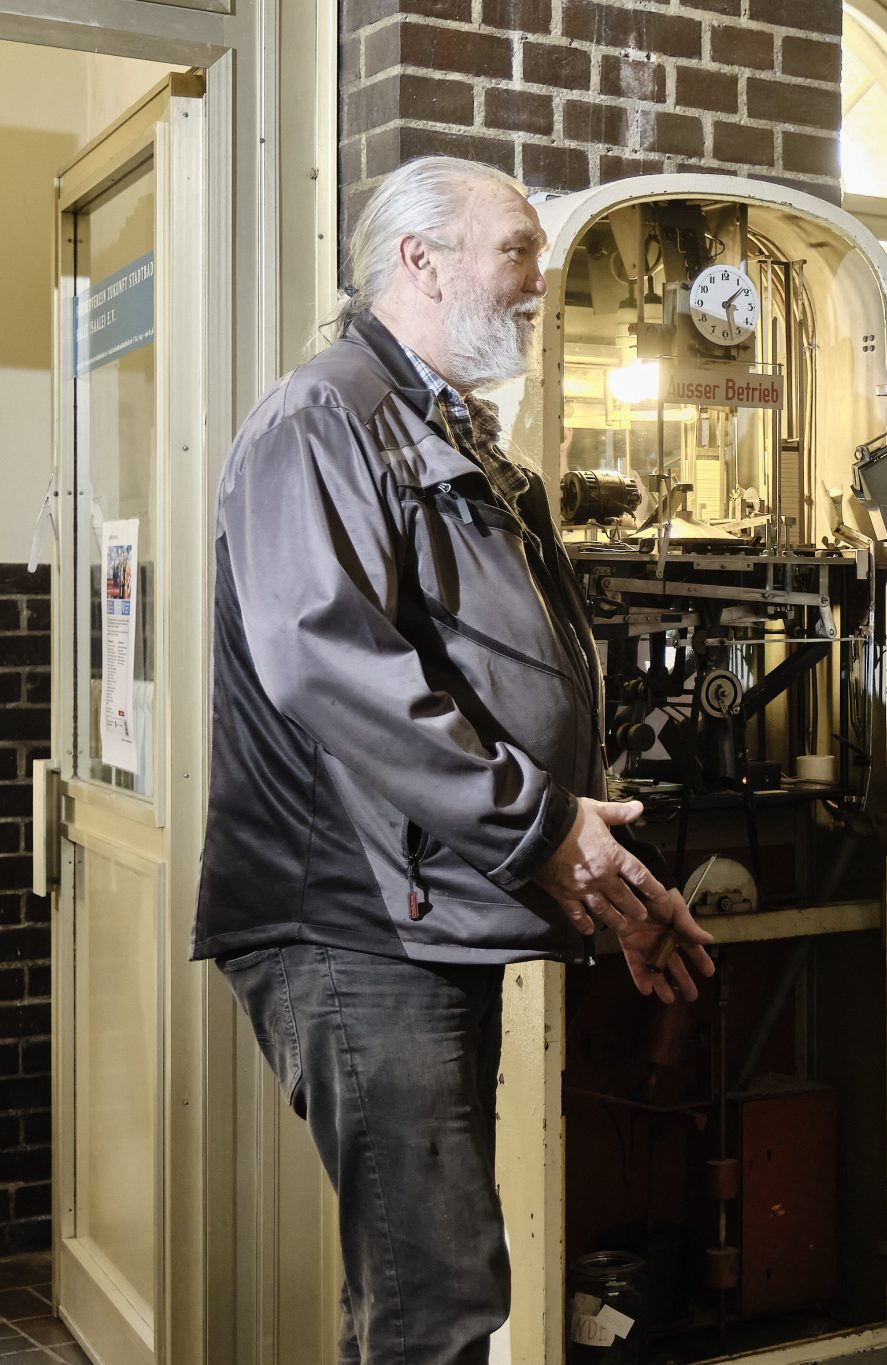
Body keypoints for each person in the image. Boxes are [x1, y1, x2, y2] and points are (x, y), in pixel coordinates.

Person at [191, 156, 716, 1363]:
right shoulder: (326, 416)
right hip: (352, 921)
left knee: (436, 1283)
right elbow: (332, 667)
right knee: (435, 1296)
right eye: (517, 251)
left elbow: (483, 688)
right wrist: (543, 836)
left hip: (427, 908)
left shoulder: (445, 428)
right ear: (415, 261)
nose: (540, 284)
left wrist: (597, 877)